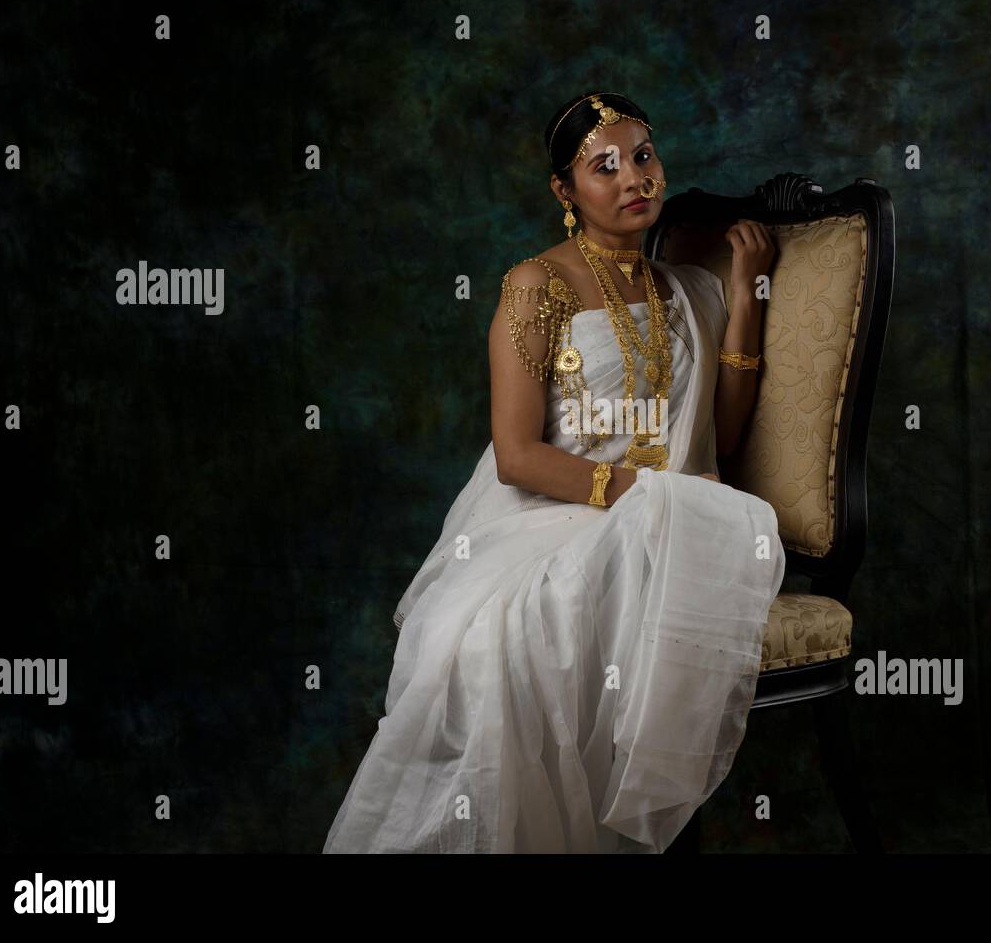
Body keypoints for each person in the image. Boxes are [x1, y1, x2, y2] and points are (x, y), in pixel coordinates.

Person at [323, 92, 786, 853]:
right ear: (564, 193)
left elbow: (723, 435)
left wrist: (742, 298)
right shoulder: (535, 285)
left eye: (643, 155)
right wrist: (633, 494)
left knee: (594, 594)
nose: (634, 177)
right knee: (482, 640)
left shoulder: (688, 288)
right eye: (603, 166)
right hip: (550, 511)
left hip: (668, 511)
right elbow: (517, 456)